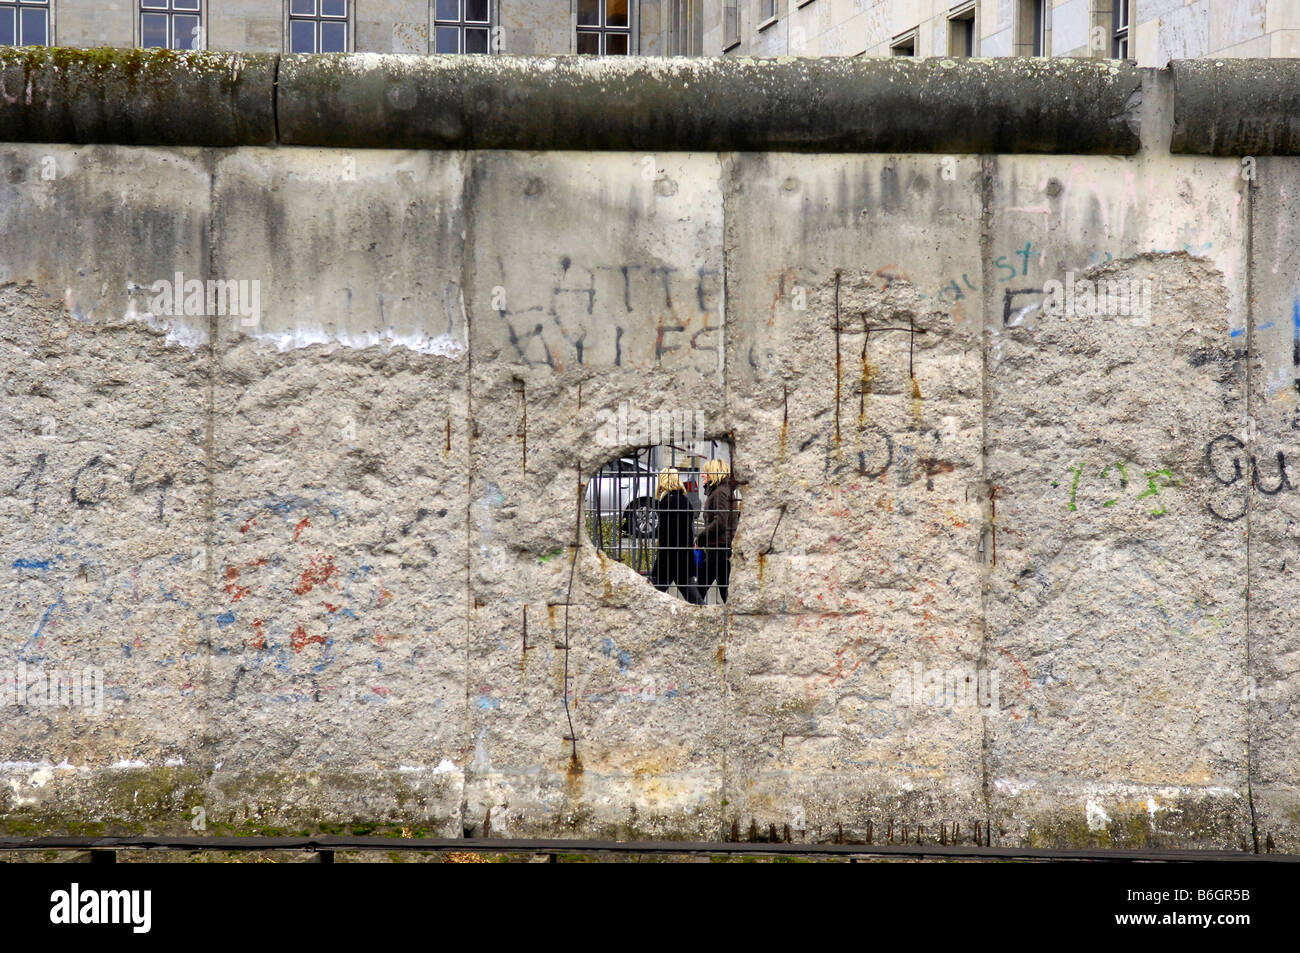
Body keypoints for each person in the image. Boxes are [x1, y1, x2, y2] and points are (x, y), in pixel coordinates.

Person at [649, 468, 702, 604]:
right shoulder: (685, 501)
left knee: (650, 599)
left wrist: (659, 563)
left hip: (668, 561)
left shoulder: (667, 503)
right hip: (683, 558)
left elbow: (667, 536)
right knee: (694, 599)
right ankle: (706, 616)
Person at [694, 458, 740, 603]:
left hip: (718, 550)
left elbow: (720, 522)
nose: (702, 475)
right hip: (718, 549)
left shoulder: (720, 492)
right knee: (725, 593)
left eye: (705, 472)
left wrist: (700, 538)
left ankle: (693, 621)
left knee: (698, 593)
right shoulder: (721, 491)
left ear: (714, 474)